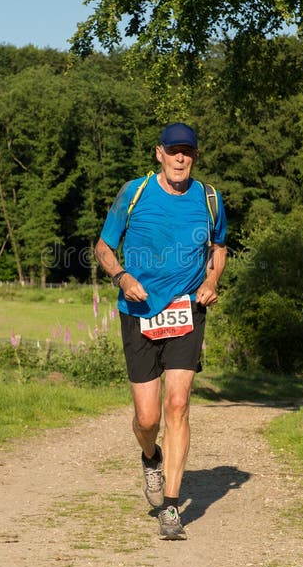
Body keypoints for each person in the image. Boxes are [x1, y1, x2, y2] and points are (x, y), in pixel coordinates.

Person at [94, 122, 227, 540]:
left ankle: (172, 506)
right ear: (159, 154)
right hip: (138, 311)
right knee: (148, 418)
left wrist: (211, 282)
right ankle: (150, 457)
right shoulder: (133, 193)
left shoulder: (209, 199)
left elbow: (219, 247)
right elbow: (102, 247)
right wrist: (121, 277)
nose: (180, 158)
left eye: (187, 151)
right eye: (173, 151)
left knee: (177, 404)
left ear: (195, 156)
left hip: (186, 311)